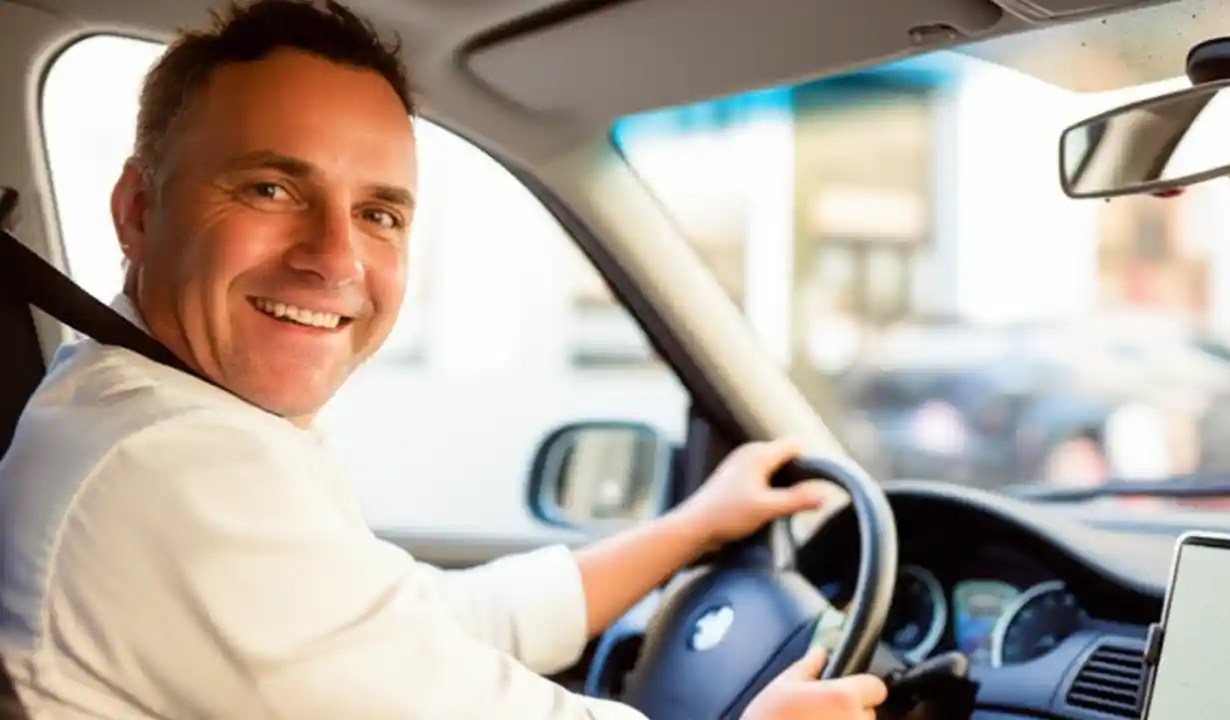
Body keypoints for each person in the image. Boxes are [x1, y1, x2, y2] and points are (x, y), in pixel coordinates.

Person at [0, 1, 888, 718]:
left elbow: (429, 628)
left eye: (379, 214)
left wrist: (694, 527)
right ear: (138, 211)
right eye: (271, 189)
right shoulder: (170, 465)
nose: (336, 260)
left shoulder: (162, 418)